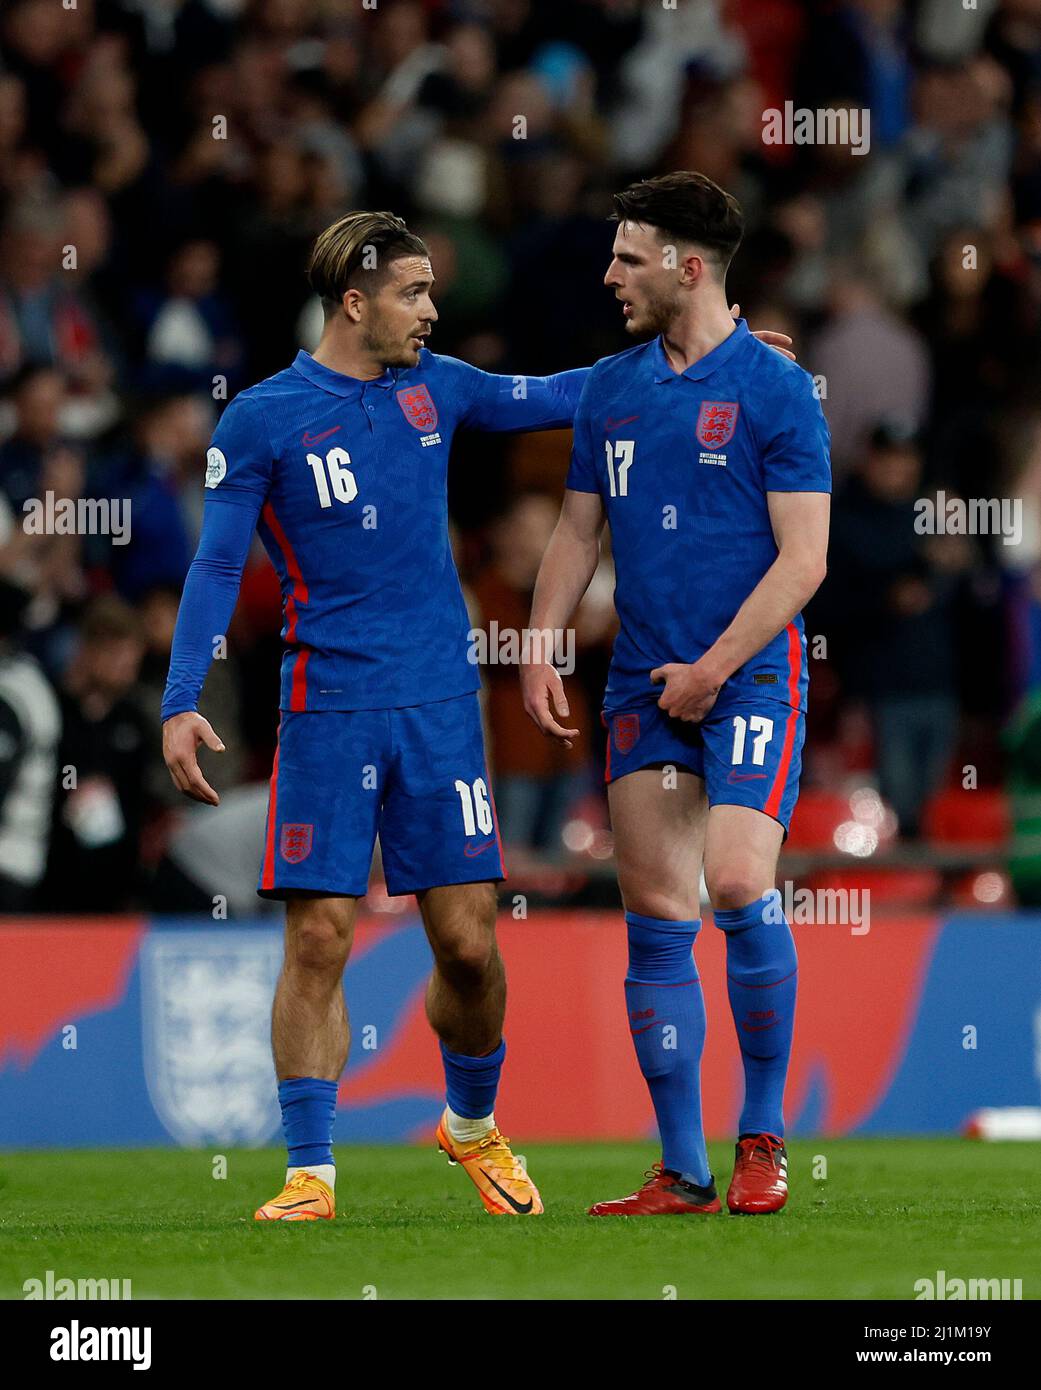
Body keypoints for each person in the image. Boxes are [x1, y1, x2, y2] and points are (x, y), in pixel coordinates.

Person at [161, 208, 794, 1222]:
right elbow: (219, 563)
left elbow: (569, 391)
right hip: (326, 706)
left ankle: (471, 1123)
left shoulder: (439, 388)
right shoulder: (262, 419)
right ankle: (310, 1172)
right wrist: (181, 699)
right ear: (355, 303)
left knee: (467, 946)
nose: (433, 309)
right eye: (414, 293)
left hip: (442, 707)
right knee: (319, 936)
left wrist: (725, 359)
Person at [521, 172, 831, 1216]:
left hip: (748, 675)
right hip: (641, 684)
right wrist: (536, 640)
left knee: (739, 884)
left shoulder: (780, 388)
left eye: (628, 258)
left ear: (687, 268)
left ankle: (764, 1137)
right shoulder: (612, 388)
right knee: (656, 916)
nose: (609, 274)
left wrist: (711, 669)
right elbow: (575, 529)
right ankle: (682, 1167)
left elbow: (804, 562)